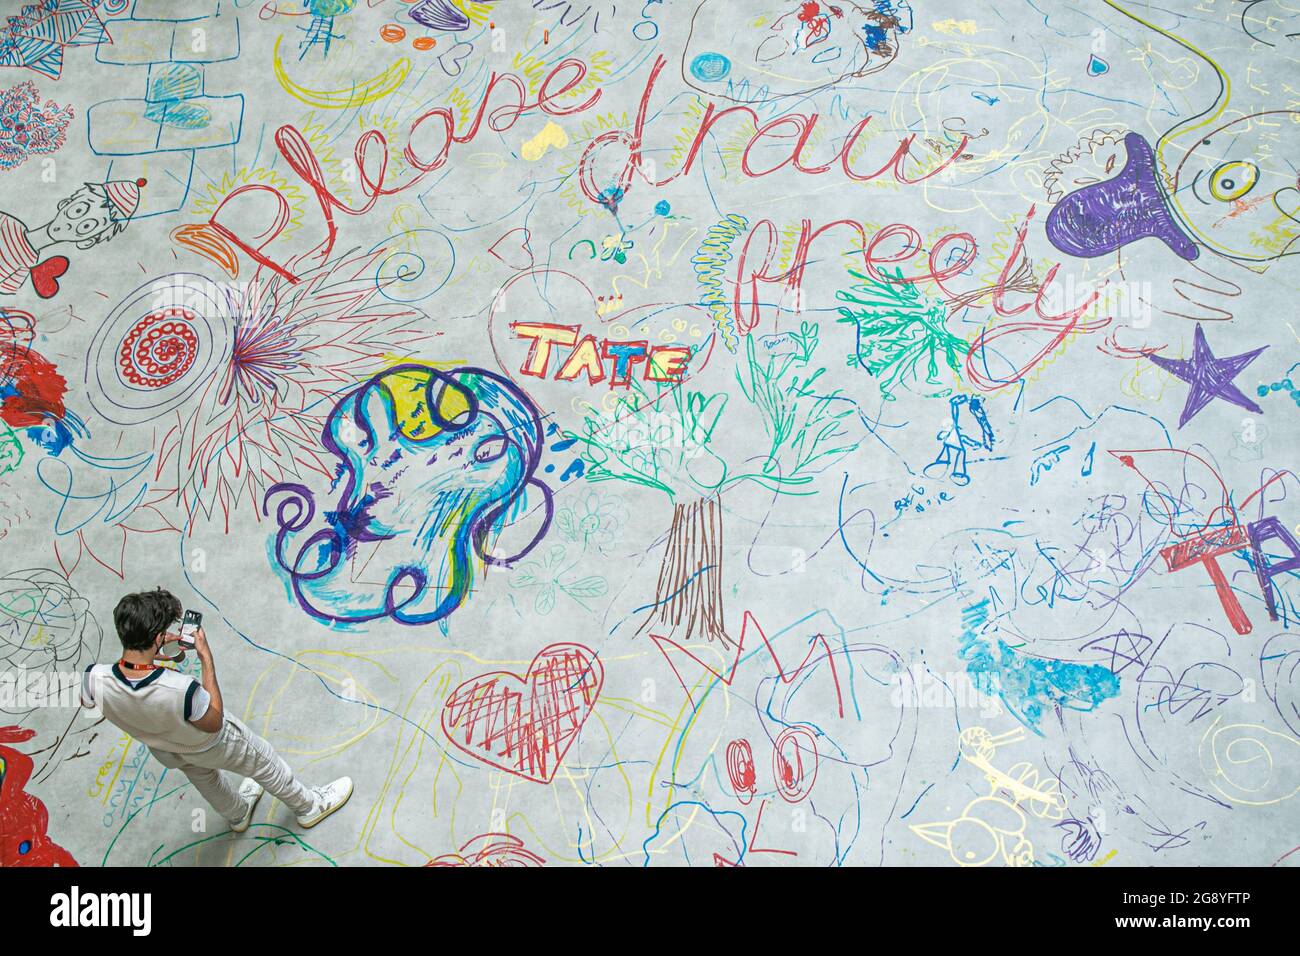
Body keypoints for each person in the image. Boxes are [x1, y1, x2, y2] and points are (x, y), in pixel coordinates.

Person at [80, 587, 352, 833]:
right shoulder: (180, 689)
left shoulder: (93, 677)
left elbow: (92, 701)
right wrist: (205, 658)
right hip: (210, 743)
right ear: (157, 636)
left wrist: (150, 659)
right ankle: (309, 806)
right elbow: (213, 721)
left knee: (206, 780)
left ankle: (238, 815)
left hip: (167, 751)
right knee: (263, 760)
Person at [0, 177, 144, 297]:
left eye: (86, 226)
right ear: (65, 203)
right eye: (78, 210)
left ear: (87, 241)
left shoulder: (27, 264)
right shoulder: (6, 223)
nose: (71, 224)